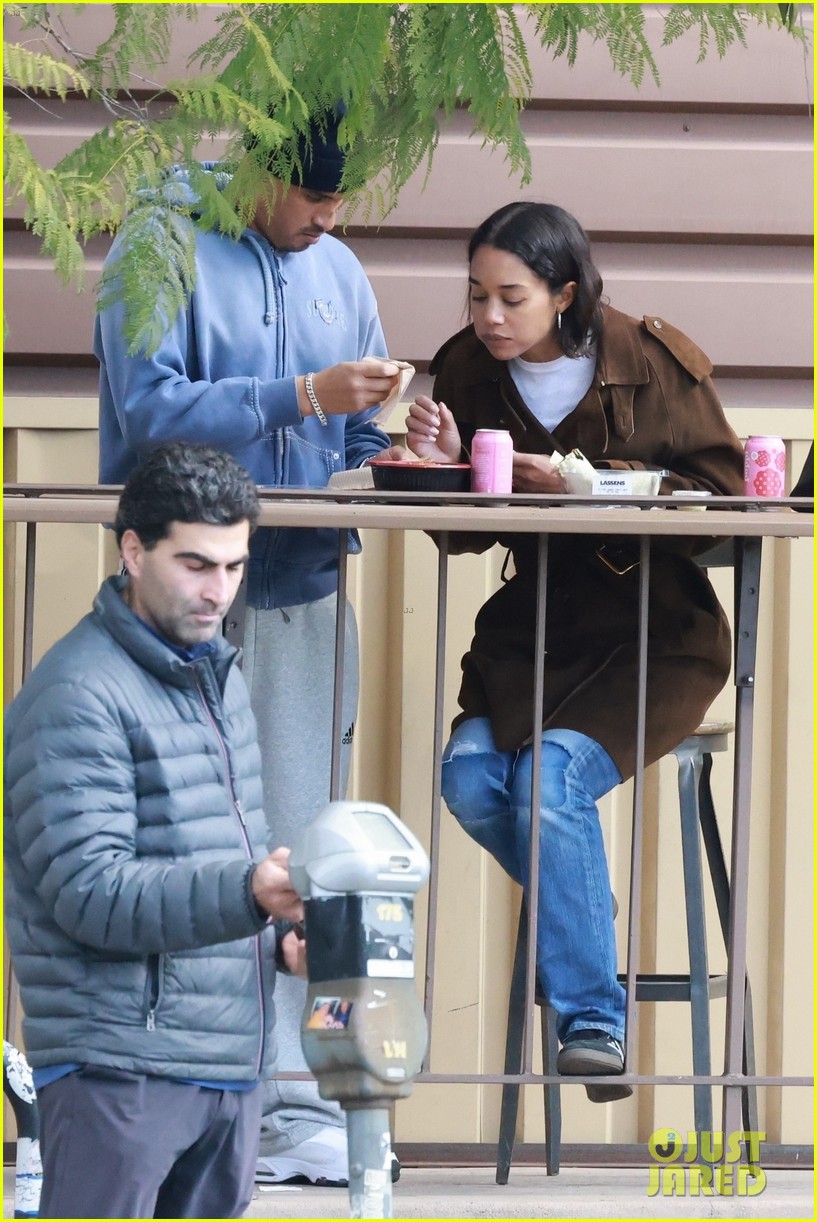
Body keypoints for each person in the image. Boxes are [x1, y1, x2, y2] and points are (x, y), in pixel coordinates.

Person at [94, 105, 407, 1184]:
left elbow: (357, 437)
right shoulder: (162, 238)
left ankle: (285, 1105)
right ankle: (183, 1096)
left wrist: (402, 439)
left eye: (342, 197)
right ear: (261, 167)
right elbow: (145, 412)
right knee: (186, 853)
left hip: (306, 596)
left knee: (301, 857)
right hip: (178, 610)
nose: (329, 216)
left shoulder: (341, 269)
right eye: (313, 194)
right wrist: (296, 394)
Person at [406, 201, 745, 1101]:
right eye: (476, 294)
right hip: (537, 629)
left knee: (548, 780)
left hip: (657, 631)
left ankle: (592, 1022)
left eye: (509, 297)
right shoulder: (464, 370)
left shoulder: (650, 358)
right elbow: (463, 540)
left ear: (563, 292)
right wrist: (445, 465)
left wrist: (579, 483)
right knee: (473, 782)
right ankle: (583, 909)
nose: (487, 316)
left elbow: (720, 502)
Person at [3, 443, 306, 1219]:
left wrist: (278, 939)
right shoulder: (77, 692)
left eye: (235, 567)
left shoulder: (218, 675)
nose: (219, 591)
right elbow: (89, 893)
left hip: (227, 1067)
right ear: (132, 550)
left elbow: (214, 859)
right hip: (117, 1073)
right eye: (196, 564)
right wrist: (250, 894)